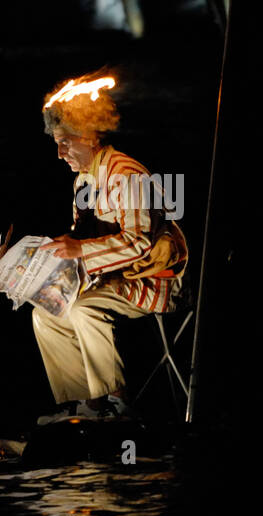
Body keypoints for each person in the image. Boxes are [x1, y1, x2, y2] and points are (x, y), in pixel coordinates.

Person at [31, 72, 188, 425]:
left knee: (84, 310)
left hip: (154, 279)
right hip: (111, 278)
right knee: (46, 312)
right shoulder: (84, 181)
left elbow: (138, 243)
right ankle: (84, 406)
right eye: (56, 143)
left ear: (87, 137)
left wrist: (80, 251)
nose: (59, 154)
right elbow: (82, 241)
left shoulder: (124, 174)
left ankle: (117, 403)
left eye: (65, 143)